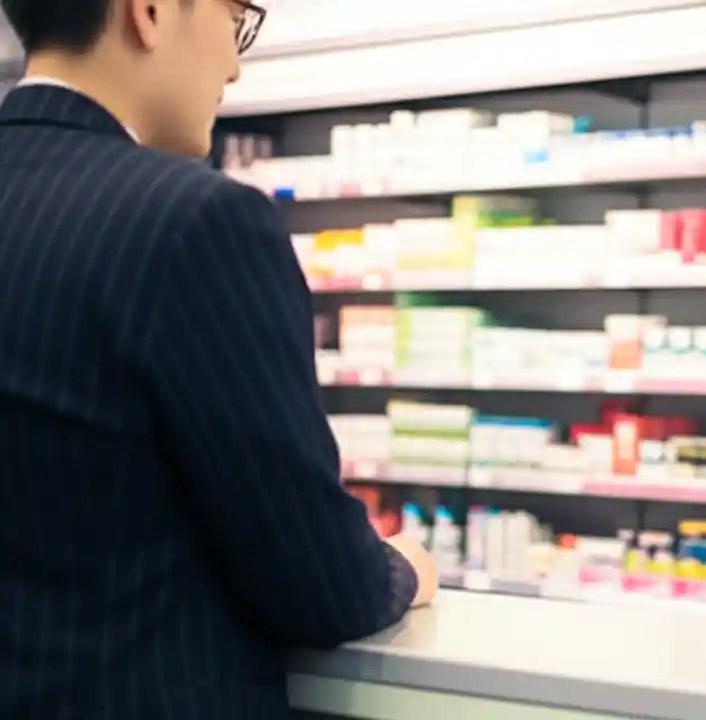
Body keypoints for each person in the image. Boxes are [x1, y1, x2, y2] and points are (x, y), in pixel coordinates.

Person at [0, 1, 437, 717]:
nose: (235, 63)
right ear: (149, 11)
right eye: (235, 18)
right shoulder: (198, 222)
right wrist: (397, 569)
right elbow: (319, 585)